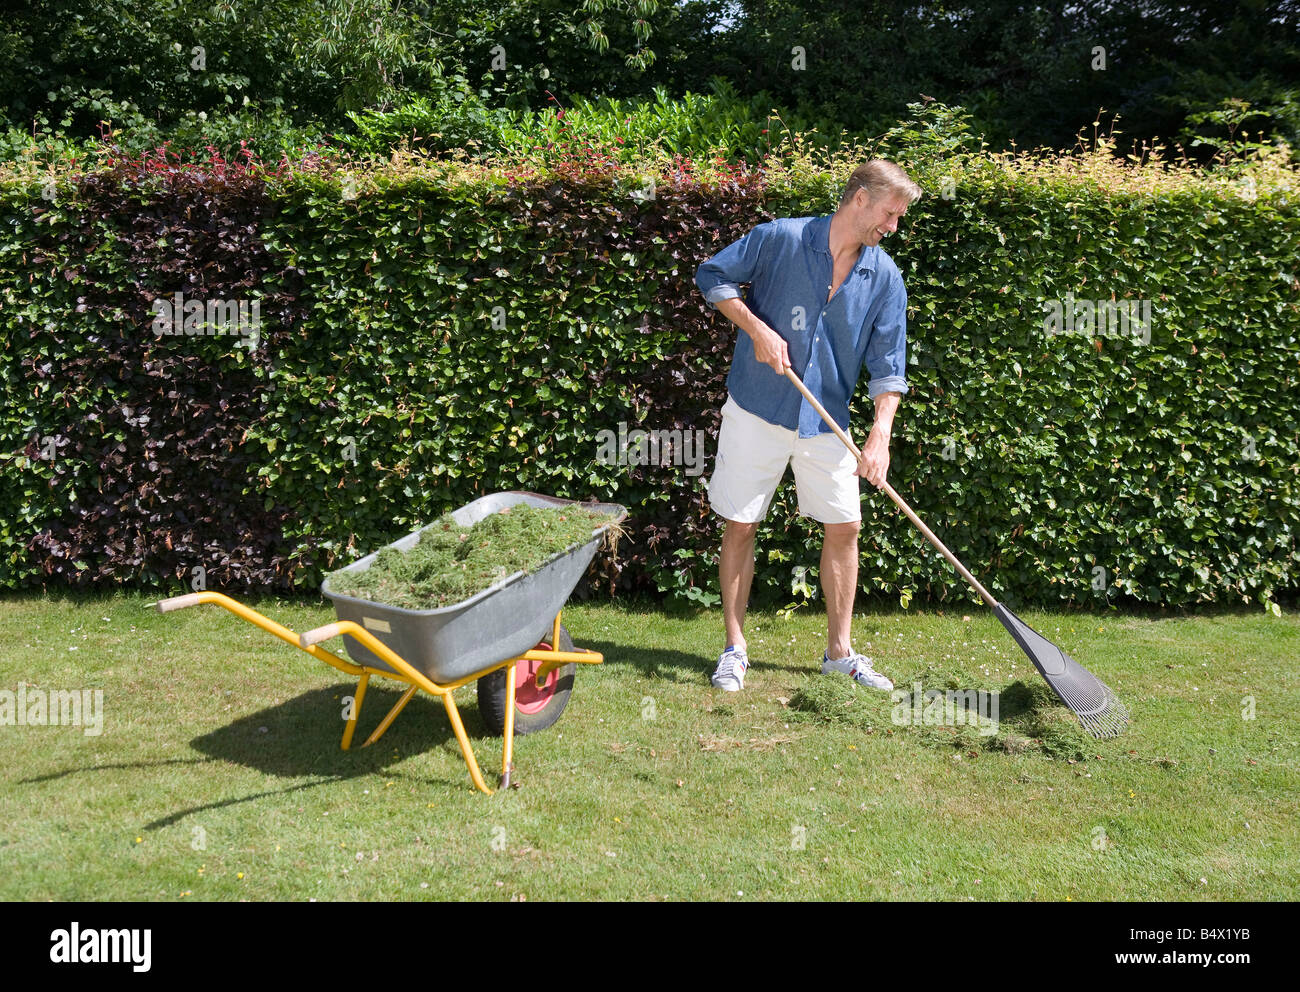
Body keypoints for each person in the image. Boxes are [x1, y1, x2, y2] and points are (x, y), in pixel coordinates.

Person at [694, 159, 921, 692]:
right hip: (758, 408)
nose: (892, 227)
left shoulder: (884, 277)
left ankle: (839, 654)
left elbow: (890, 366)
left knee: (845, 527)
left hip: (828, 421)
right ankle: (734, 647)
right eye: (890, 214)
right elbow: (714, 275)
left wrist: (879, 435)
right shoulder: (781, 238)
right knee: (742, 524)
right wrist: (756, 330)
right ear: (860, 198)